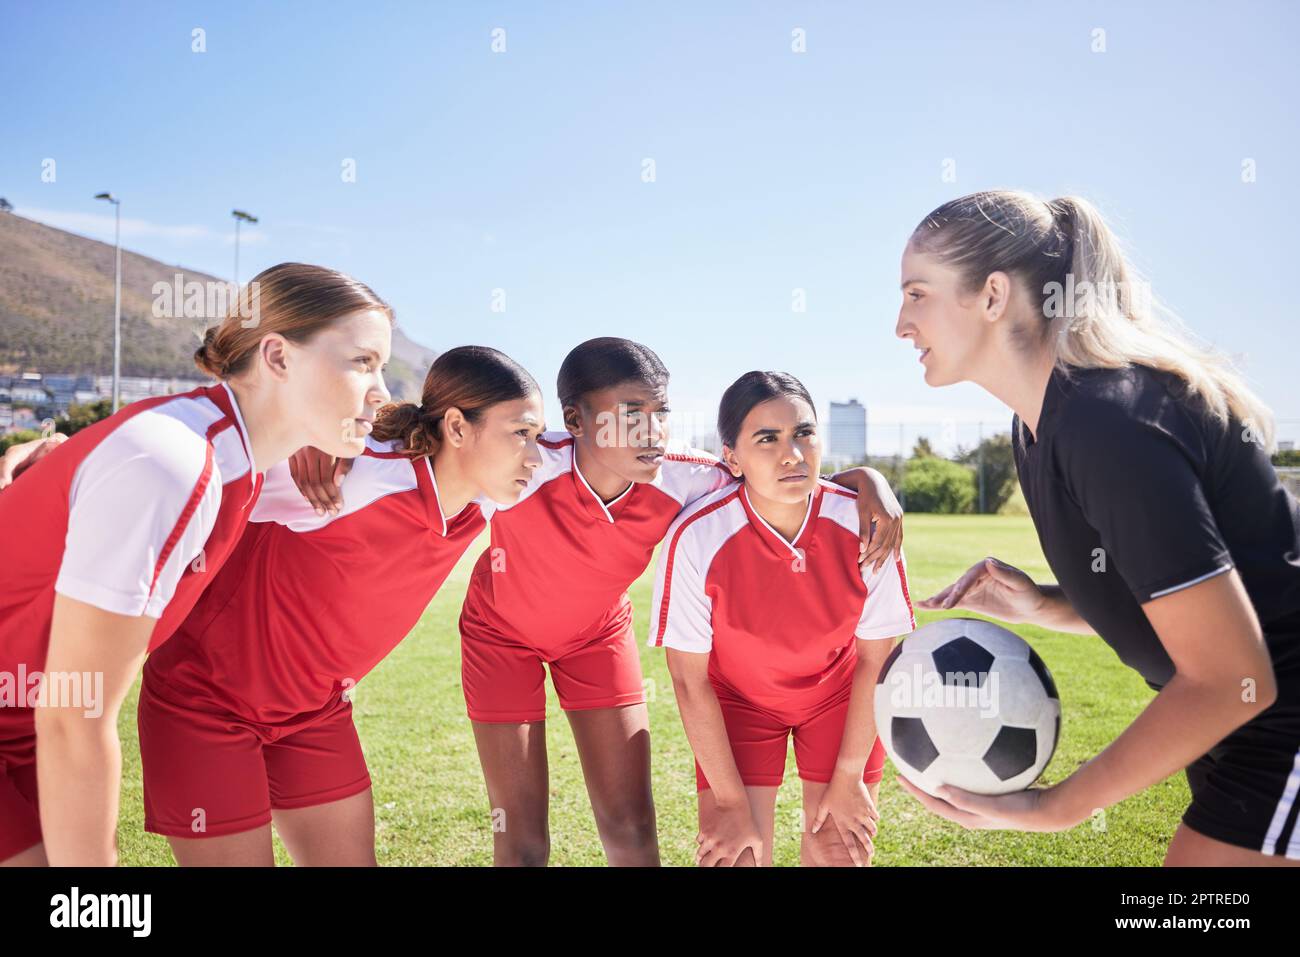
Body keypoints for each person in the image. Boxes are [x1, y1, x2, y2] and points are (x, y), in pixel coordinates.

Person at [894, 190, 1300, 865]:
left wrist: (1058, 805)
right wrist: (1051, 604)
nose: (901, 324)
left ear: (993, 295)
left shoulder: (1108, 421)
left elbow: (1230, 675)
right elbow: (1182, 598)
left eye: (916, 294)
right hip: (1242, 727)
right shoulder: (1040, 427)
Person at [0, 262, 394, 866]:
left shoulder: (234, 461)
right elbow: (74, 714)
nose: (382, 393)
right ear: (278, 358)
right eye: (362, 363)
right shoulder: (175, 463)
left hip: (27, 728)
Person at [136, 347, 545, 865]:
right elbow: (186, 454)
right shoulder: (347, 476)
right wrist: (303, 435)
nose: (535, 455)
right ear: (458, 428)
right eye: (522, 434)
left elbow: (590, 456)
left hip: (315, 713)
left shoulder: (487, 490)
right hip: (204, 705)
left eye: (536, 437)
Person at [650, 371, 915, 867]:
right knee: (736, 856)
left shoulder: (866, 526)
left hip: (839, 698)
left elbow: (877, 661)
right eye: (767, 439)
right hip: (738, 702)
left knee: (838, 850)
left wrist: (850, 774)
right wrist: (729, 803)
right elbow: (689, 680)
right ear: (732, 457)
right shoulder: (697, 536)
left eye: (804, 433)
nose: (792, 453)